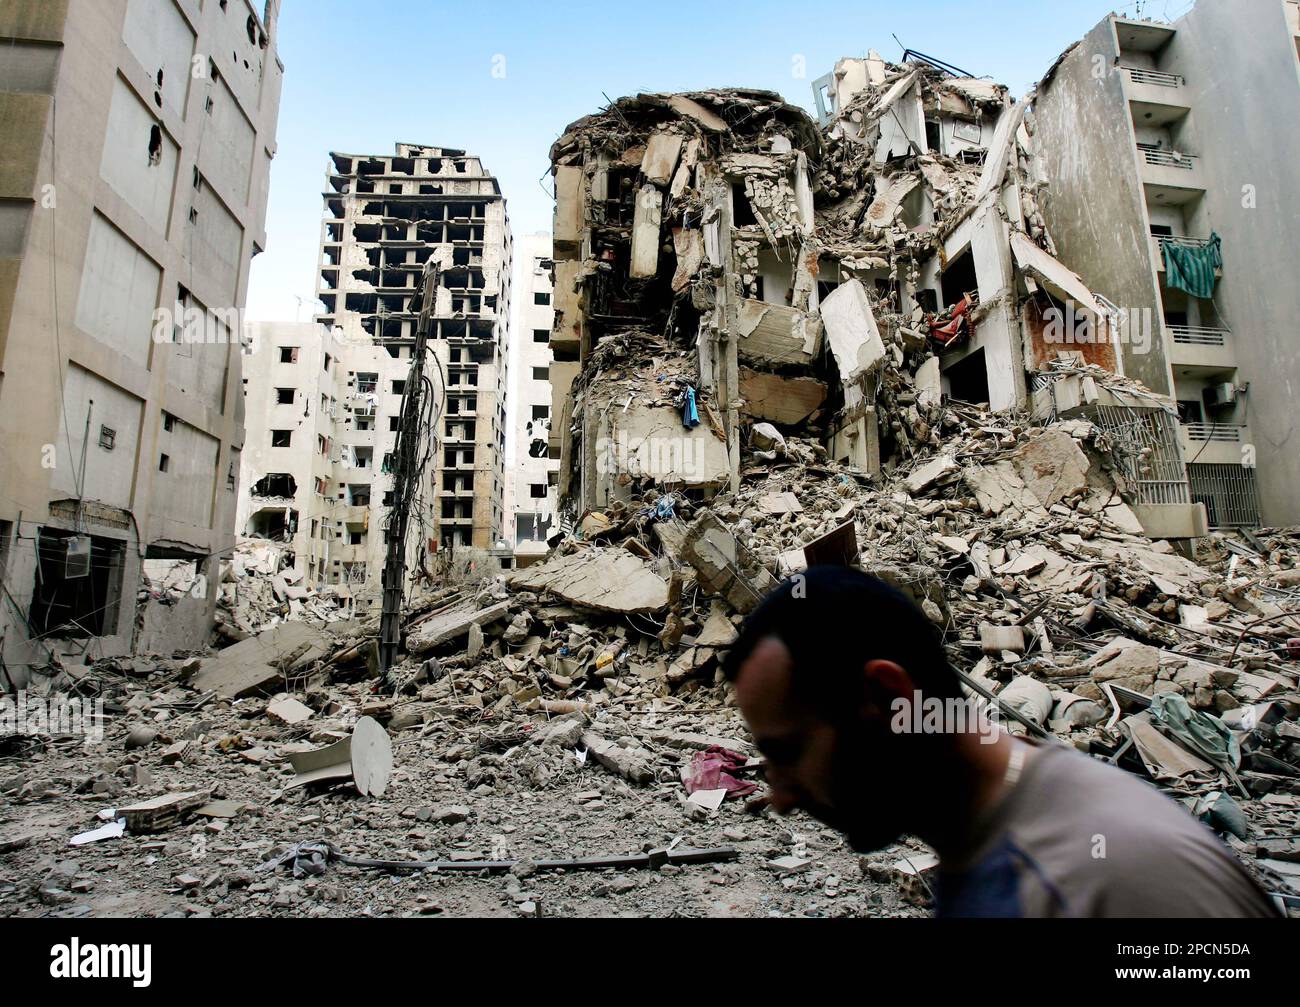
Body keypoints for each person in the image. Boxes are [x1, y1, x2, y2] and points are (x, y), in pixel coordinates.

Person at [723, 566, 1279, 918]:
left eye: (790, 753)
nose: (780, 796)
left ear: (892, 699)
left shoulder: (1109, 878)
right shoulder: (984, 842)